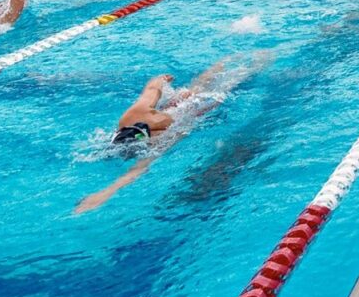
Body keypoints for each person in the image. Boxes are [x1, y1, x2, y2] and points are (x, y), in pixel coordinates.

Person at [77, 57, 245, 213]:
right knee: (196, 92)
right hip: (182, 114)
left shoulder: (144, 123)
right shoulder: (136, 116)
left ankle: (231, 63)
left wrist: (106, 193)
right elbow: (151, 89)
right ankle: (228, 62)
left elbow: (136, 171)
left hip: (188, 113)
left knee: (198, 94)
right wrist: (159, 80)